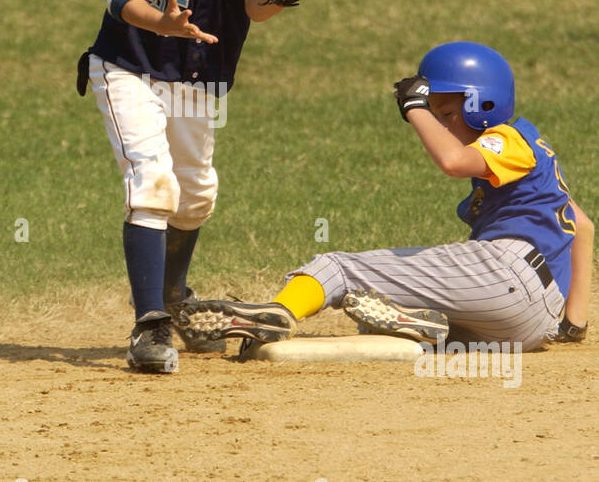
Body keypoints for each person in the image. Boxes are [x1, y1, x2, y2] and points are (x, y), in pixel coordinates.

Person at [79, 0, 310, 374]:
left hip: (197, 77)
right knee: (152, 182)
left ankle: (175, 299)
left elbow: (255, 6)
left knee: (197, 194)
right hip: (129, 67)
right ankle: (149, 324)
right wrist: (166, 23)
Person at [178, 41, 593, 357]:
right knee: (375, 315)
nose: (439, 124)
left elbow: (452, 161)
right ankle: (416, 324)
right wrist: (573, 323)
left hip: (506, 275)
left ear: (483, 104)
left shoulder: (509, 137)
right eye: (434, 114)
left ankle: (278, 313)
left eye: (447, 113)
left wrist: (414, 109)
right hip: (533, 324)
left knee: (337, 268)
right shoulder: (536, 160)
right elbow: (583, 227)